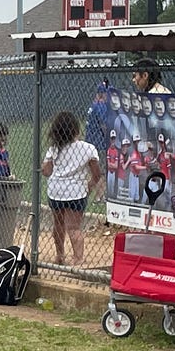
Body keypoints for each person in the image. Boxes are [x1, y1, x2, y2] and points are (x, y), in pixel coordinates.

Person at [42, 111, 102, 266]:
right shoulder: (87, 148)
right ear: (75, 129)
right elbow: (97, 173)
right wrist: (90, 186)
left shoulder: (54, 148)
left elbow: (46, 172)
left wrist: (48, 163)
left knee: (58, 224)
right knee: (74, 227)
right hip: (76, 192)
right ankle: (78, 258)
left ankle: (60, 255)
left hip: (56, 191)